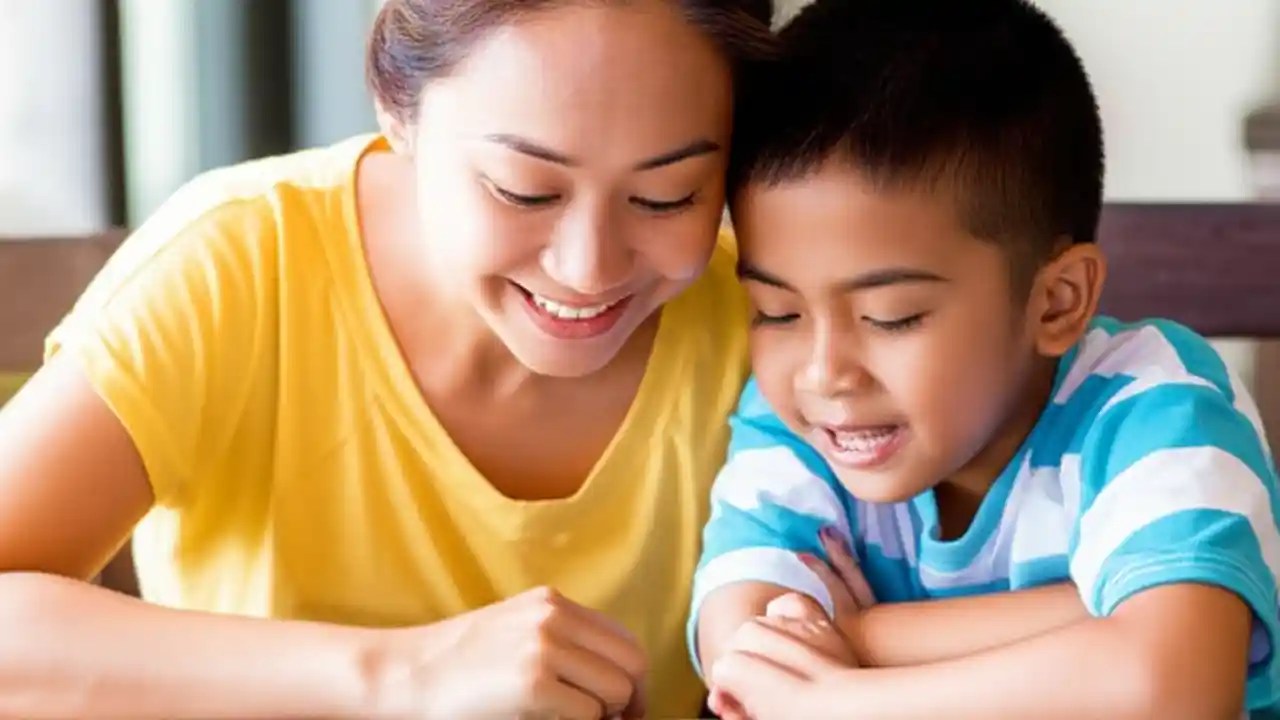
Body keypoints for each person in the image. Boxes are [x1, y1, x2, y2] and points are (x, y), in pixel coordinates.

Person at [0, 1, 774, 717]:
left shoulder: (777, 310)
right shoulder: (244, 263)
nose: (588, 269)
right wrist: (400, 672)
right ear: (396, 109)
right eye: (524, 191)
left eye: (669, 196)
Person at [690, 0, 1280, 717]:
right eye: (777, 312)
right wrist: (1090, 613)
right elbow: (744, 654)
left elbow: (1173, 687)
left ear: (1057, 301)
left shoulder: (1153, 405)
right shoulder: (797, 427)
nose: (824, 373)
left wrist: (854, 663)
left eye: (890, 317)